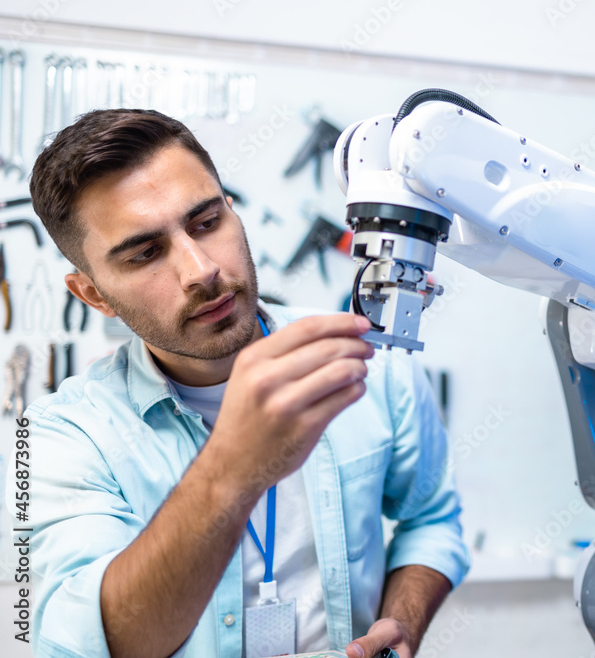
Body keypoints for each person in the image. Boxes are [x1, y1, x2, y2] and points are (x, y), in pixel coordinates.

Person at [12, 109, 470, 658]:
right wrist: (233, 465)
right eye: (145, 253)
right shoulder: (56, 440)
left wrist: (401, 624)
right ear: (93, 295)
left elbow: (431, 520)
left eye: (207, 223)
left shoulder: (370, 358)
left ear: (233, 212)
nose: (200, 269)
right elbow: (103, 642)